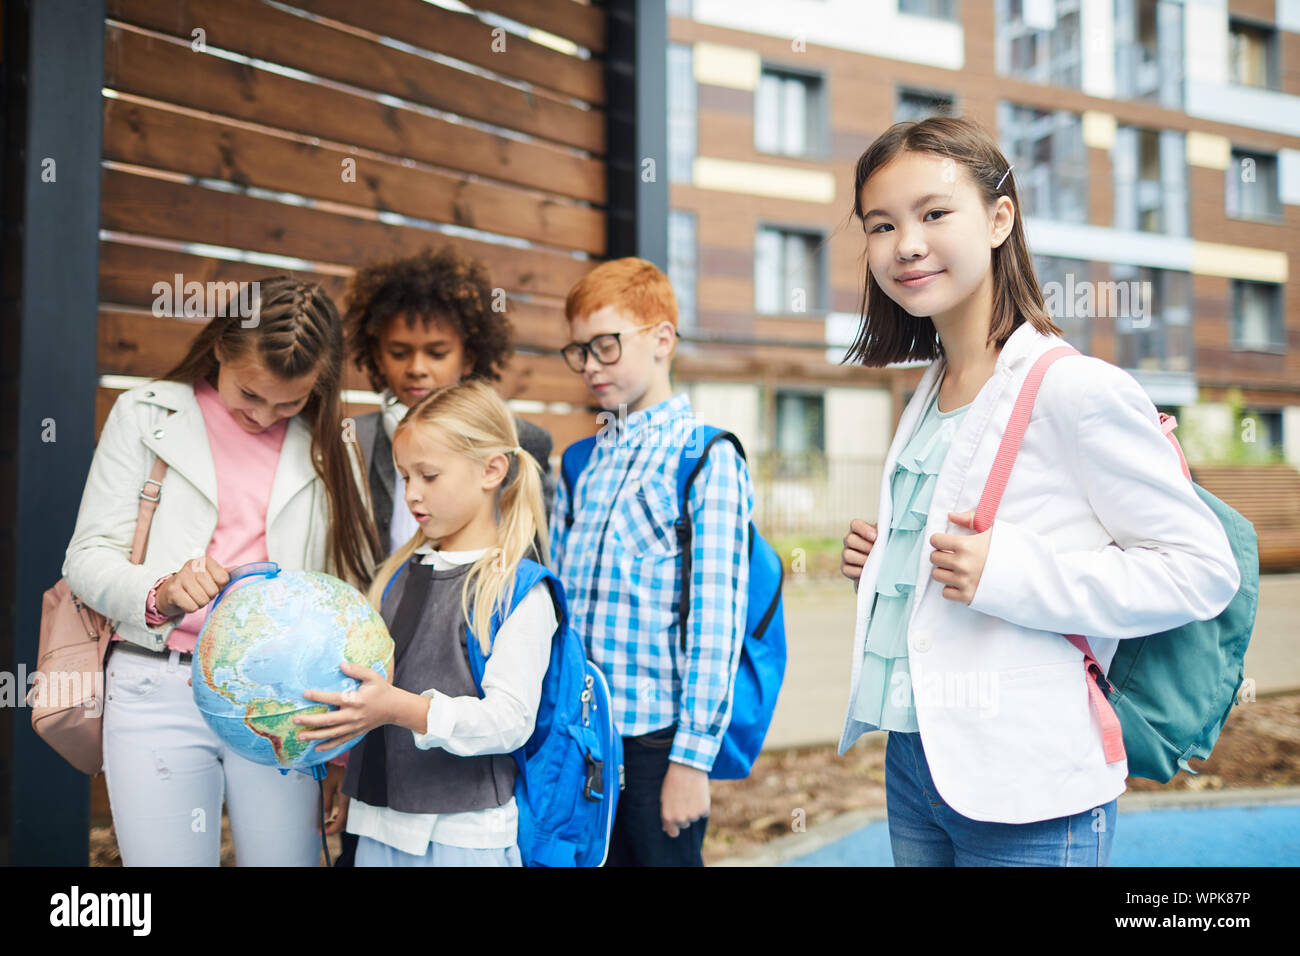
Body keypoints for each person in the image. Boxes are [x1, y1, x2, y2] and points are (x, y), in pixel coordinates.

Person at [836, 116, 1241, 866]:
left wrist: (1008, 571)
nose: (906, 244)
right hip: (917, 762)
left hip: (1029, 776)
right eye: (881, 224)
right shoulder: (928, 392)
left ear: (999, 218)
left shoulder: (1075, 389)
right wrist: (888, 559)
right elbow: (956, 558)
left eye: (933, 213)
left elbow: (1201, 569)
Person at [63, 276, 381, 866]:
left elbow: (348, 592)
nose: (265, 415)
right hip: (156, 682)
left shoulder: (333, 443)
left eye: (291, 402)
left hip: (286, 702)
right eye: (250, 394)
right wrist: (159, 591)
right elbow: (85, 557)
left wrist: (340, 751)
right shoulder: (145, 412)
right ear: (220, 350)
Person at [294, 379, 556, 867]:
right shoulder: (396, 575)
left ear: (492, 470)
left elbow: (509, 722)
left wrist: (401, 708)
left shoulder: (520, 589)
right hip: (376, 823)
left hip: (466, 835)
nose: (411, 494)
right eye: (403, 476)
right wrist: (341, 767)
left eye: (429, 476)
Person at [549, 257, 752, 866]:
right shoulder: (579, 462)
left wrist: (691, 762)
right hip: (575, 737)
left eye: (606, 346)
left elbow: (716, 623)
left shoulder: (705, 459)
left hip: (654, 746)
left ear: (662, 339)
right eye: (579, 351)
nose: (590, 366)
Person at [343, 245, 554, 559]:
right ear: (377, 357)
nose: (416, 368)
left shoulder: (520, 441)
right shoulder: (354, 440)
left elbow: (530, 550)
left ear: (468, 358)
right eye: (399, 353)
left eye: (437, 353)